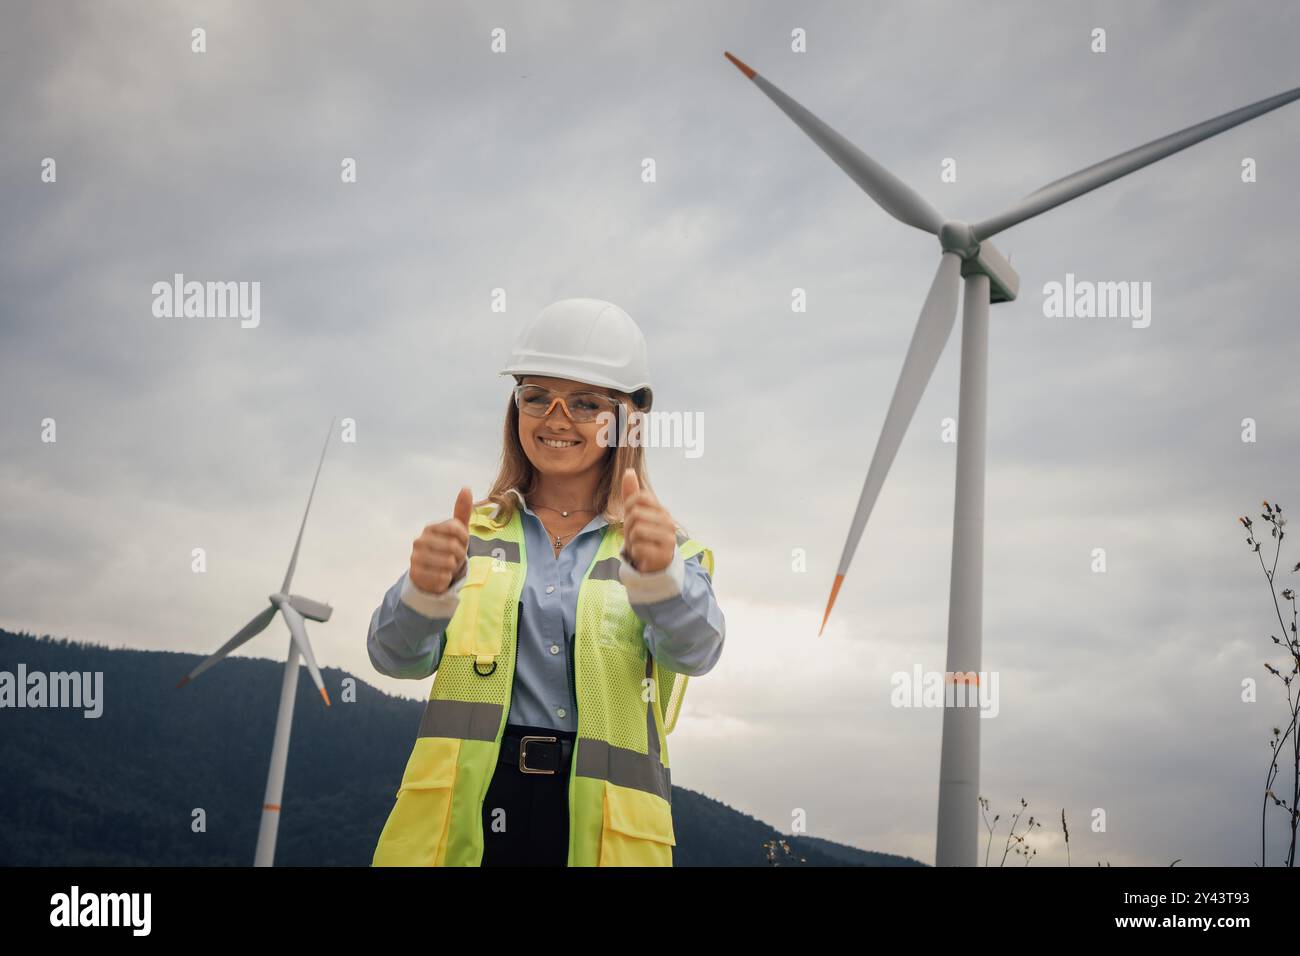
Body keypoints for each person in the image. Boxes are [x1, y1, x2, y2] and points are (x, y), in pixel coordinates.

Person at [368, 297, 725, 866]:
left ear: (627, 419)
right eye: (536, 396)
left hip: (599, 826)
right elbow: (393, 656)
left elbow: (697, 650)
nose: (556, 418)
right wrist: (422, 592)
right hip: (471, 815)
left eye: (585, 403)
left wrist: (661, 578)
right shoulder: (471, 535)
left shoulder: (666, 551)